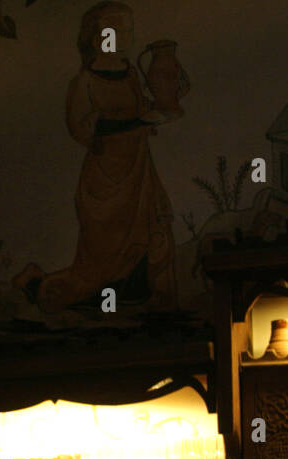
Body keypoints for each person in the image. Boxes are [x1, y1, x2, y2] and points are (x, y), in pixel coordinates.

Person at [12, 0, 180, 315]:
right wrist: (139, 122)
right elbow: (82, 127)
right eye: (116, 31)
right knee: (104, 252)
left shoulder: (130, 74)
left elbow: (141, 109)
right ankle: (45, 288)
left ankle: (132, 293)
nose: (125, 38)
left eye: (128, 31)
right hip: (106, 178)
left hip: (138, 171)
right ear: (96, 38)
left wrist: (159, 109)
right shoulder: (85, 82)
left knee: (146, 233)